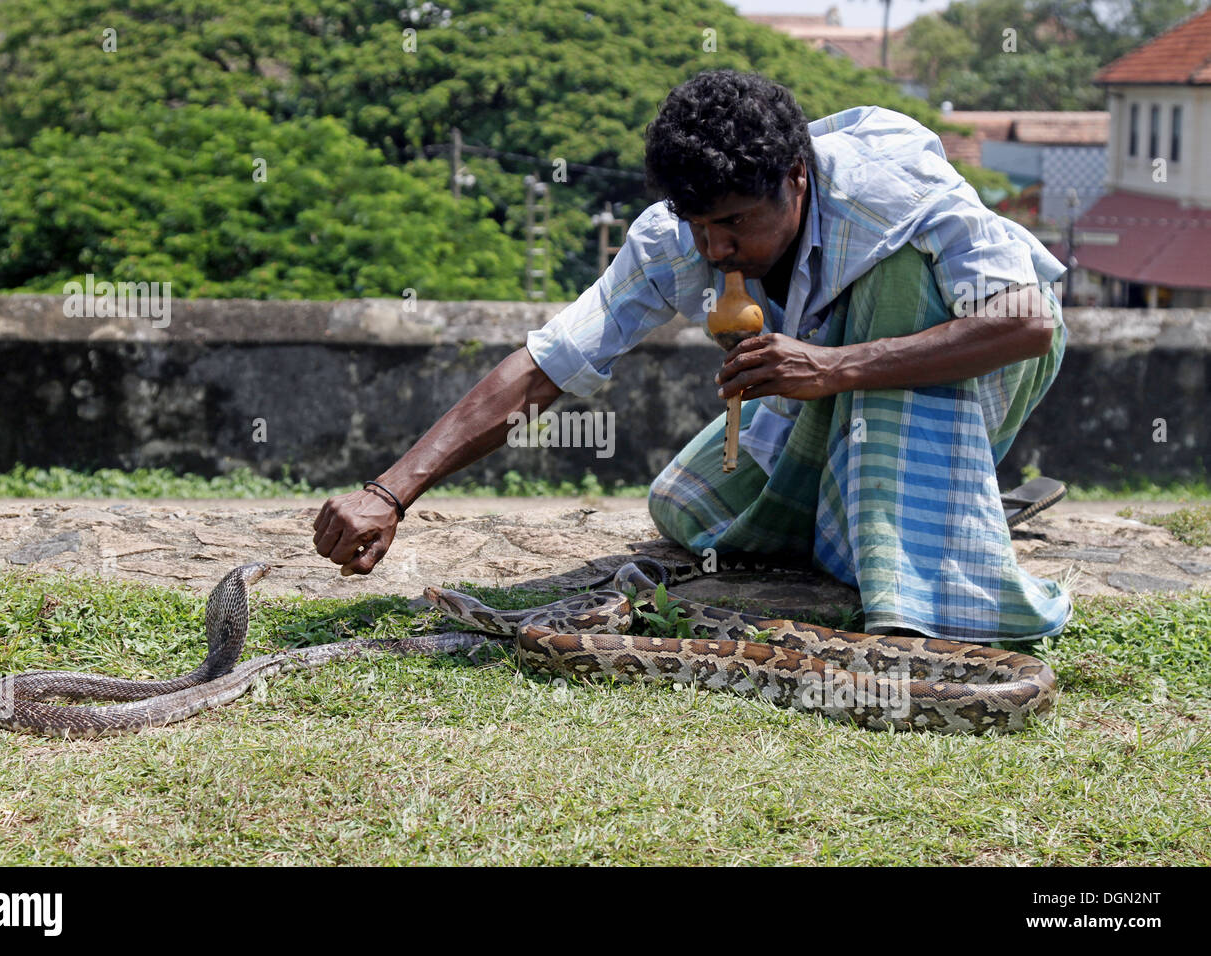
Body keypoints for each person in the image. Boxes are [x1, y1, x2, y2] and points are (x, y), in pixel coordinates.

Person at [314, 70, 1072, 643]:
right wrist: (390, 493)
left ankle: (926, 601)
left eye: (737, 223)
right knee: (687, 502)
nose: (716, 248)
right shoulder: (676, 234)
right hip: (835, 387)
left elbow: (1024, 322)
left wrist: (834, 367)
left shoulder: (891, 185)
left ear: (796, 180)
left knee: (898, 278)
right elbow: (548, 363)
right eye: (699, 225)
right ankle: (908, 505)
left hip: (975, 358)